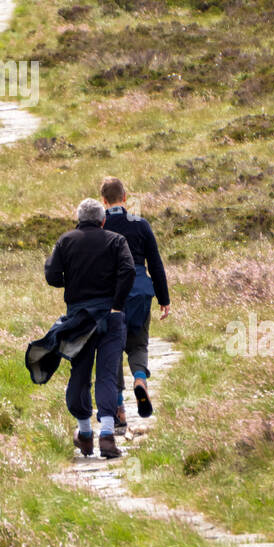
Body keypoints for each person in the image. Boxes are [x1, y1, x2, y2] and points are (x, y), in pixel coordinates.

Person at [43, 198, 135, 459]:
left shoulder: (65, 241)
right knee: (107, 374)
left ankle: (85, 433)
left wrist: (70, 282)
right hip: (111, 317)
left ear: (79, 218)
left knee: (80, 373)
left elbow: (51, 276)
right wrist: (117, 304)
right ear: (103, 220)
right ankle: (106, 436)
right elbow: (128, 271)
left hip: (79, 319)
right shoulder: (116, 240)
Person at [99, 177, 170, 425]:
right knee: (139, 343)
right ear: (125, 197)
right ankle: (140, 379)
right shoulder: (140, 224)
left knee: (113, 348)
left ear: (103, 201)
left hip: (111, 296)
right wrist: (164, 298)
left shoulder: (100, 226)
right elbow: (156, 264)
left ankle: (119, 408)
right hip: (140, 291)